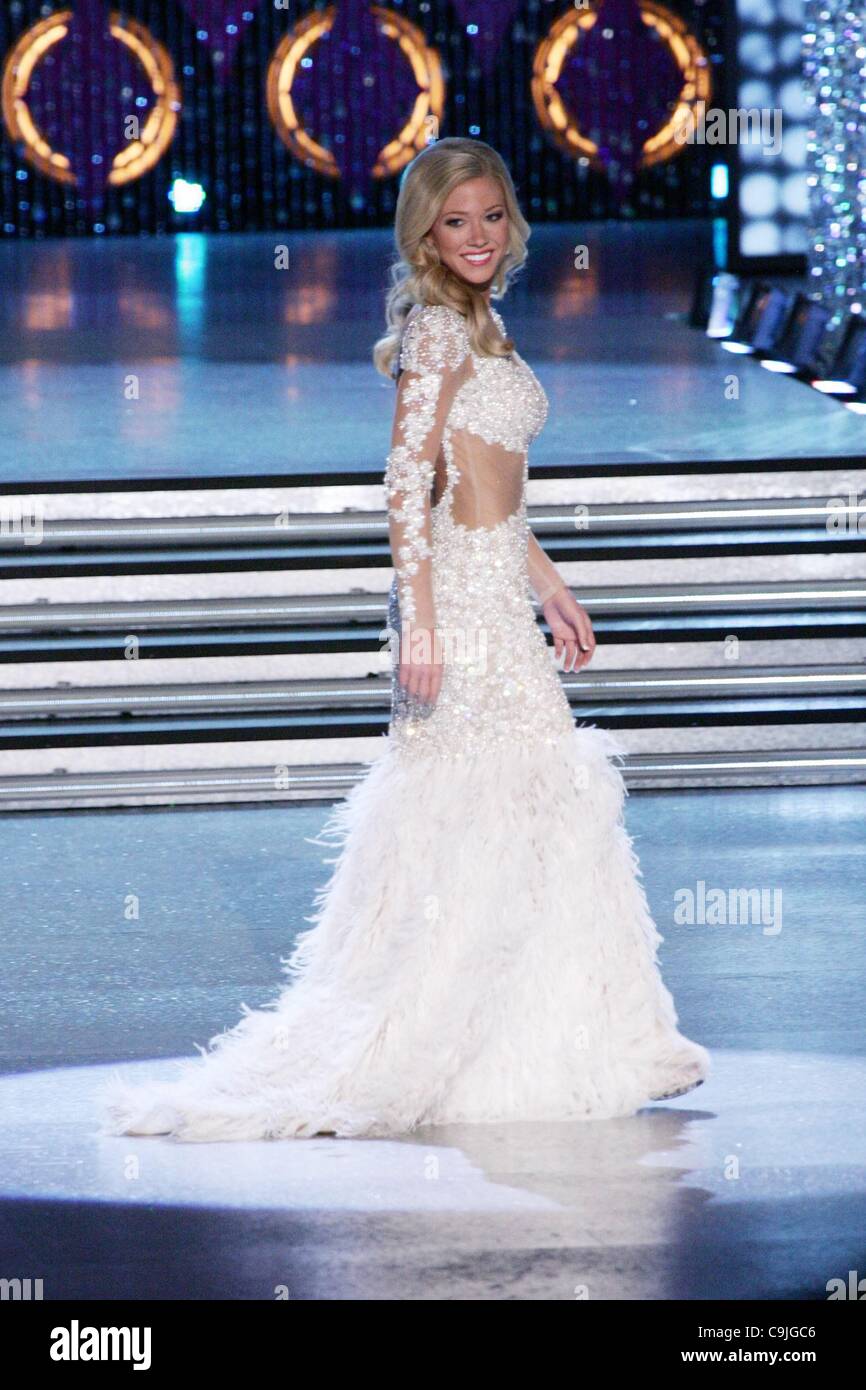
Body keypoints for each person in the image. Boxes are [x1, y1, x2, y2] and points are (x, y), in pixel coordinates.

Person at [99, 137, 709, 1143]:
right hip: (456, 613)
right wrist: (419, 620)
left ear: (510, 222)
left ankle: (582, 1040)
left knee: (533, 803)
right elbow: (404, 485)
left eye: (489, 216)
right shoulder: (435, 333)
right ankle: (457, 1045)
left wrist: (550, 588)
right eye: (452, 221)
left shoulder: (487, 325)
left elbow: (492, 493)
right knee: (502, 801)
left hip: (491, 591)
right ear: (425, 234)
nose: (474, 236)